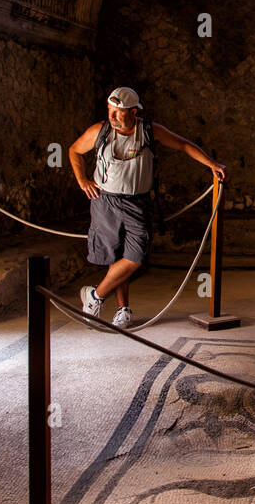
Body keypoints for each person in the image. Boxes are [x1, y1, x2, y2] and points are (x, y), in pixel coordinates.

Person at [68, 86, 226, 327]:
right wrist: (82, 181)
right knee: (116, 256)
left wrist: (211, 164)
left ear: (133, 112)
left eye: (118, 112)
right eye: (110, 110)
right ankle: (123, 310)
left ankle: (95, 295)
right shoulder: (99, 131)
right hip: (106, 201)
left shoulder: (149, 130)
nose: (112, 116)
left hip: (137, 202)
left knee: (135, 256)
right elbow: (74, 151)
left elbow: (183, 144)